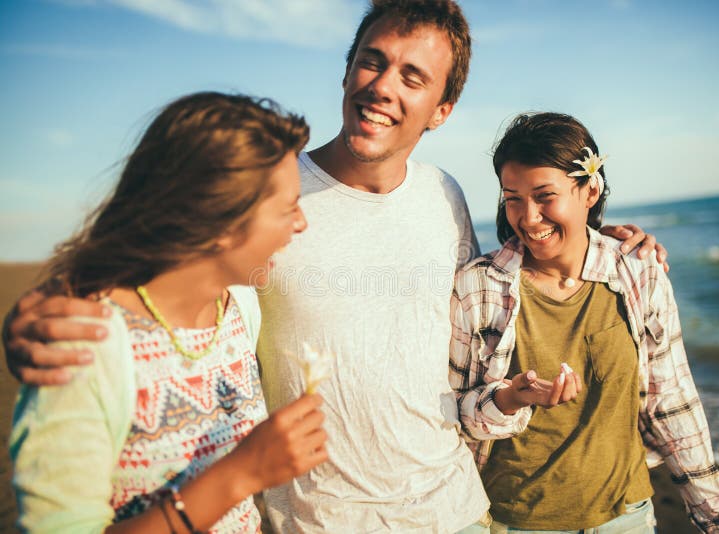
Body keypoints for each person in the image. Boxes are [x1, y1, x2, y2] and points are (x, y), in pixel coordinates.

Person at [3, 2, 666, 532]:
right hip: (315, 521)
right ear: (347, 70)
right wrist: (41, 311)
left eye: (412, 76)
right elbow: (161, 268)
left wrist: (609, 242)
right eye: (372, 62)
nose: (382, 86)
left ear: (441, 111)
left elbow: (500, 292)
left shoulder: (446, 196)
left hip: (454, 511)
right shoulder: (262, 190)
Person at [9, 92, 329, 533]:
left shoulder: (241, 308)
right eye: (287, 207)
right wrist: (239, 476)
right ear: (216, 222)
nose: (301, 223)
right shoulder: (84, 349)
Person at [449, 112, 719, 534]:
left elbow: (671, 403)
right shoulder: (477, 288)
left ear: (591, 189)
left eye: (544, 196)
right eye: (512, 197)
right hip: (513, 521)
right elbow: (458, 418)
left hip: (627, 517)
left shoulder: (639, 272)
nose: (528, 217)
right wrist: (510, 400)